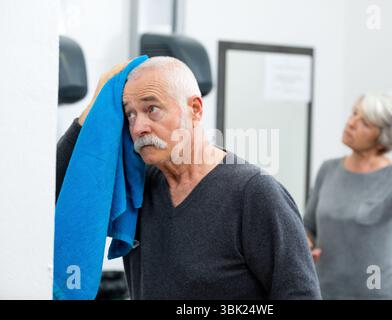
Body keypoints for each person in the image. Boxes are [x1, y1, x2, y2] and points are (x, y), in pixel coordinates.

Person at [56, 56, 322, 299]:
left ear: (195, 109)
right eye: (130, 114)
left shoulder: (254, 193)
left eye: (152, 109)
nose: (138, 127)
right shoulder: (138, 187)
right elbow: (55, 194)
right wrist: (94, 107)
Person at [304, 92, 392, 299]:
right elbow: (308, 226)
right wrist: (306, 246)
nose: (351, 122)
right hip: (325, 293)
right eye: (354, 113)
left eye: (365, 123)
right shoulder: (329, 169)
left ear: (383, 140)